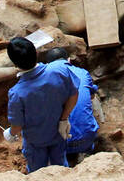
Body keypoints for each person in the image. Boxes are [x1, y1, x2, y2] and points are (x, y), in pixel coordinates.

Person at [6, 37, 79, 173]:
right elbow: (73, 94)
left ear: (15, 64)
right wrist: (64, 119)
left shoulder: (17, 93)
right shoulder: (59, 70)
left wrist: (10, 134)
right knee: (61, 167)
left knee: (37, 171)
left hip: (35, 142)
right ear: (36, 53)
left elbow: (17, 126)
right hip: (58, 133)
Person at [42, 48, 100, 158]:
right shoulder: (82, 73)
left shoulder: (43, 79)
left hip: (59, 145)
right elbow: (91, 96)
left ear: (47, 64)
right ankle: (86, 151)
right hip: (86, 139)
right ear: (68, 60)